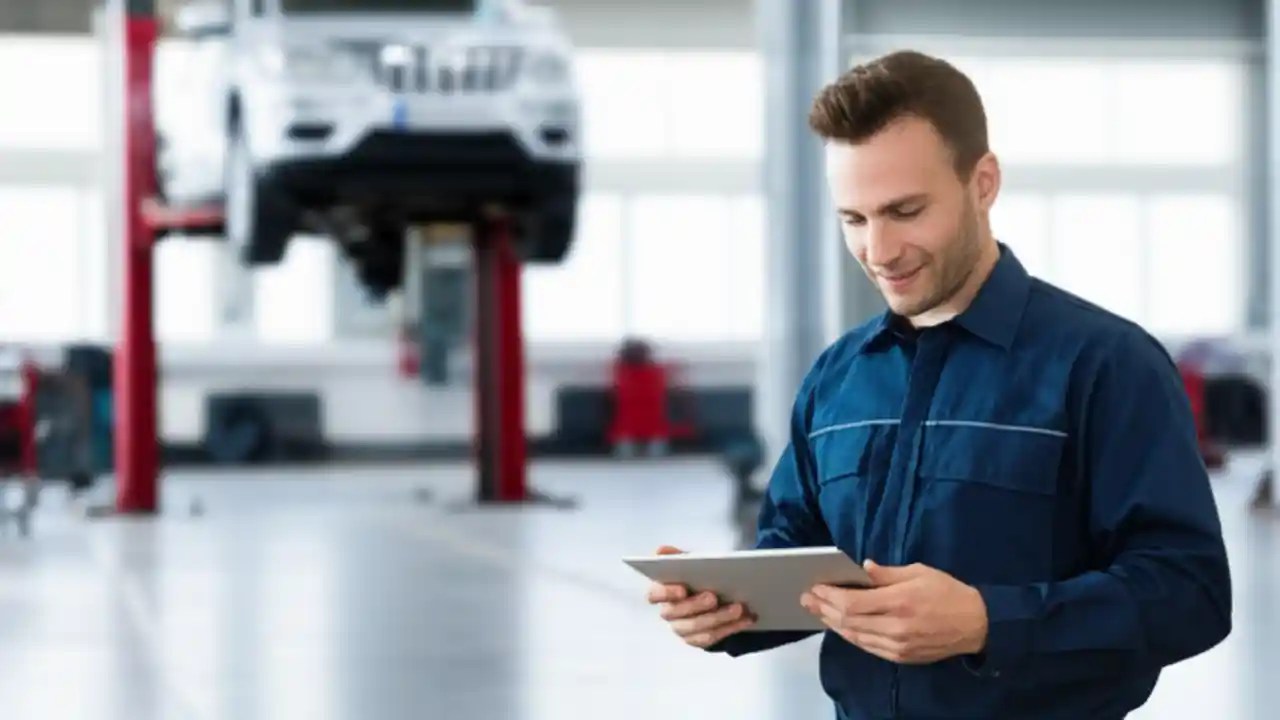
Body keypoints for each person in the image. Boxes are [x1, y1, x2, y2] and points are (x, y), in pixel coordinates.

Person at [645, 50, 1232, 719]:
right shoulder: (838, 378)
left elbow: (1191, 593)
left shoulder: (1105, 364)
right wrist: (729, 610)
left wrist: (988, 620)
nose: (879, 250)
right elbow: (798, 553)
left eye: (906, 210)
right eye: (854, 219)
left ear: (983, 183)